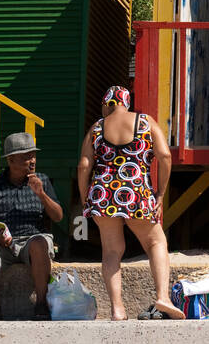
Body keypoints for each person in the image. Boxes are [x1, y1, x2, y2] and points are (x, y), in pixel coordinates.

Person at [77, 85, 185, 321]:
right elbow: (165, 155)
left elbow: (84, 165)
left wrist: (86, 197)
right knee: (155, 242)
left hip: (103, 193)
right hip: (136, 191)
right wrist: (160, 193)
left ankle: (117, 309)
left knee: (112, 251)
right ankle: (163, 297)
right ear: (127, 102)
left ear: (107, 104)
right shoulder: (145, 121)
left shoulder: (97, 127)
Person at [0, 132, 64, 321]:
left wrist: (41, 194)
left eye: (33, 155)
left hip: (32, 241)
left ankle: (41, 303)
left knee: (40, 242)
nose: (32, 160)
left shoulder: (42, 180)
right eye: (25, 156)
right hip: (4, 243)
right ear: (11, 160)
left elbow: (58, 216)